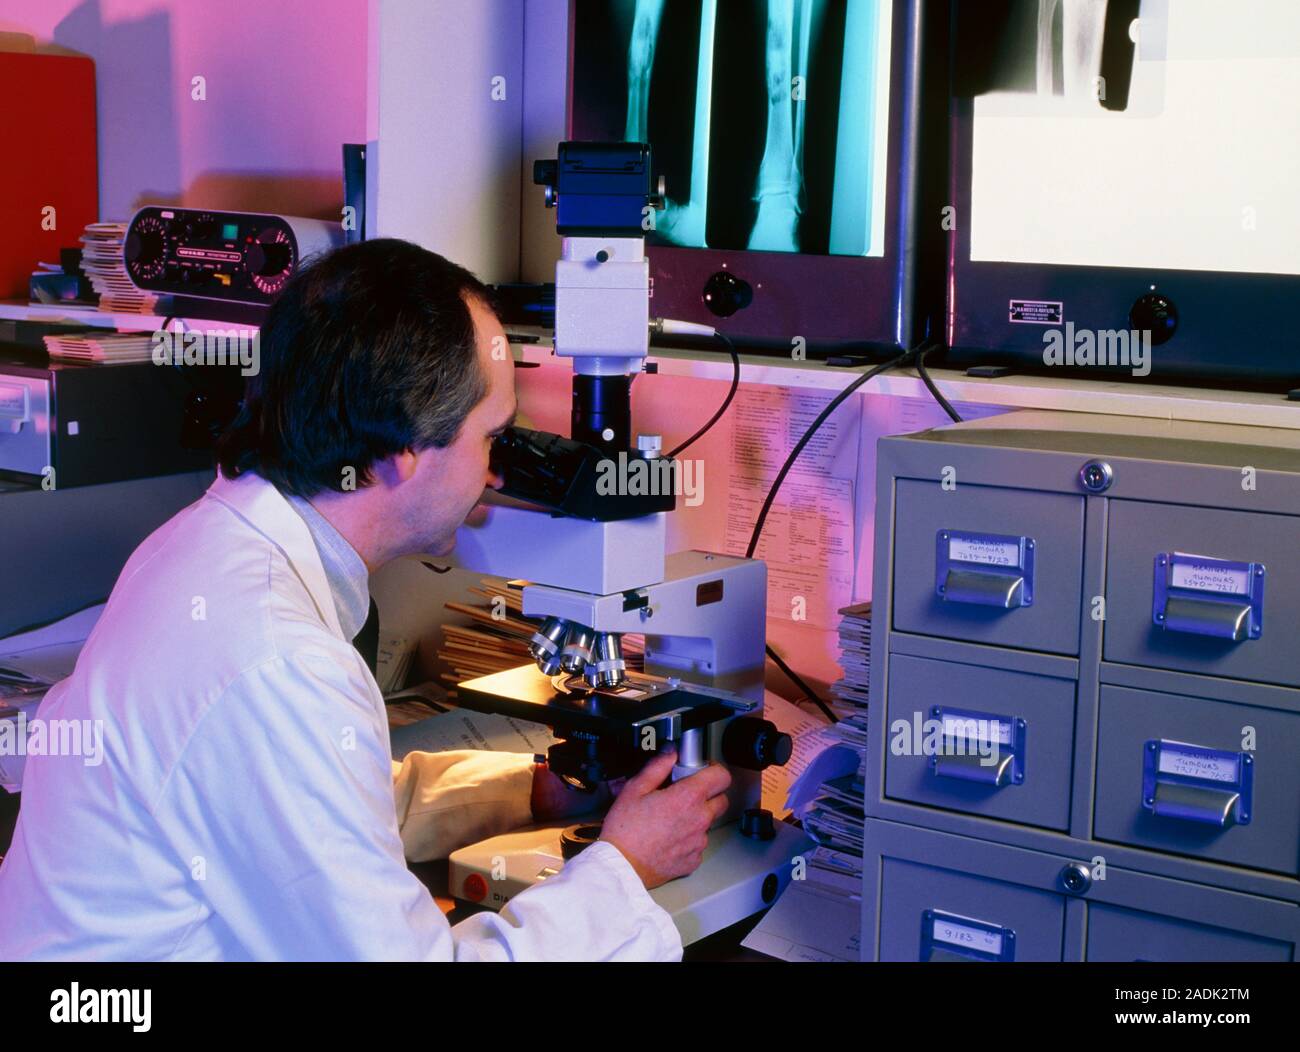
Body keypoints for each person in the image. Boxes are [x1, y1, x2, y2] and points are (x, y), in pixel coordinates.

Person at [0, 239, 731, 961]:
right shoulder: (278, 659)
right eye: (491, 439)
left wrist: (533, 792)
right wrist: (624, 871)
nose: (496, 476)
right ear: (402, 450)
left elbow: (312, 819)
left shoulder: (201, 547)